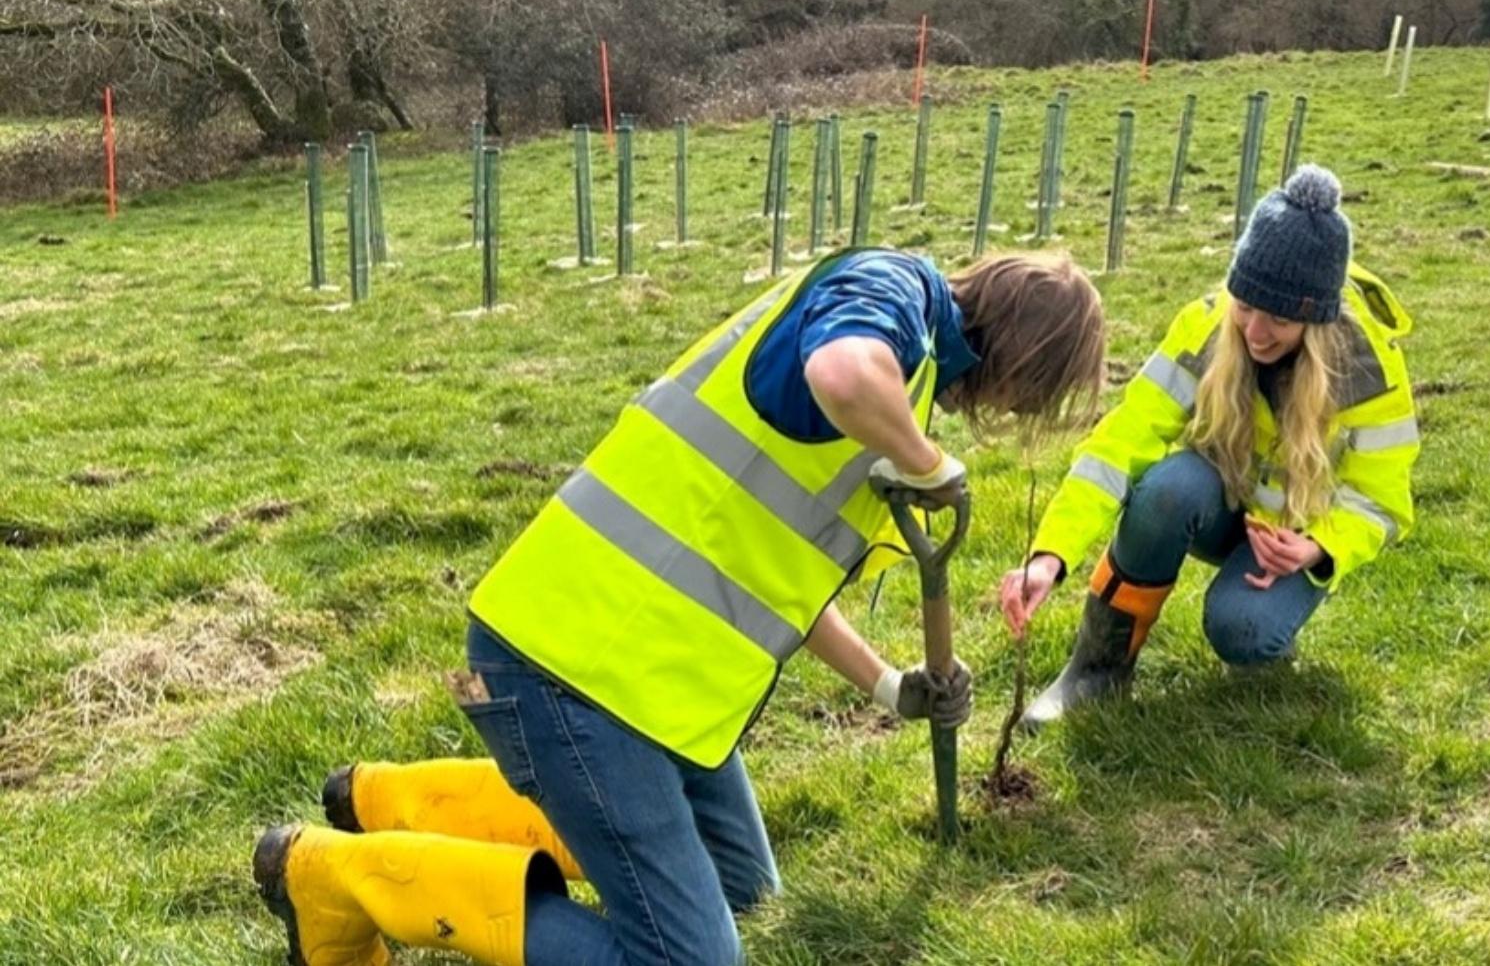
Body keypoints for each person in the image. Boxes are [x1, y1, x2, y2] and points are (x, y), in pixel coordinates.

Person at [253, 249, 1109, 966]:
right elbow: (840, 371)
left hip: (653, 686)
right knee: (685, 960)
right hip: (569, 668)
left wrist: (888, 687)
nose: (1005, 413)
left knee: (743, 888)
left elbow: (775, 577)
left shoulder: (910, 379)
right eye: (1024, 396)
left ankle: (392, 799)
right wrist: (929, 463)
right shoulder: (890, 292)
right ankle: (333, 878)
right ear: (1019, 355)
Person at [996, 166, 1418, 727]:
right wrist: (1050, 555)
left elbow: (1381, 502)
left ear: (1316, 321)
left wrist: (1317, 547)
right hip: (1218, 499)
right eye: (1245, 307)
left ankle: (1269, 624)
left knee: (1243, 631)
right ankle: (1097, 669)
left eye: (1280, 320)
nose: (1255, 332)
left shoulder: (1368, 371)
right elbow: (1120, 443)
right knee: (1168, 489)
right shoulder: (1207, 327)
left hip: (1291, 535)